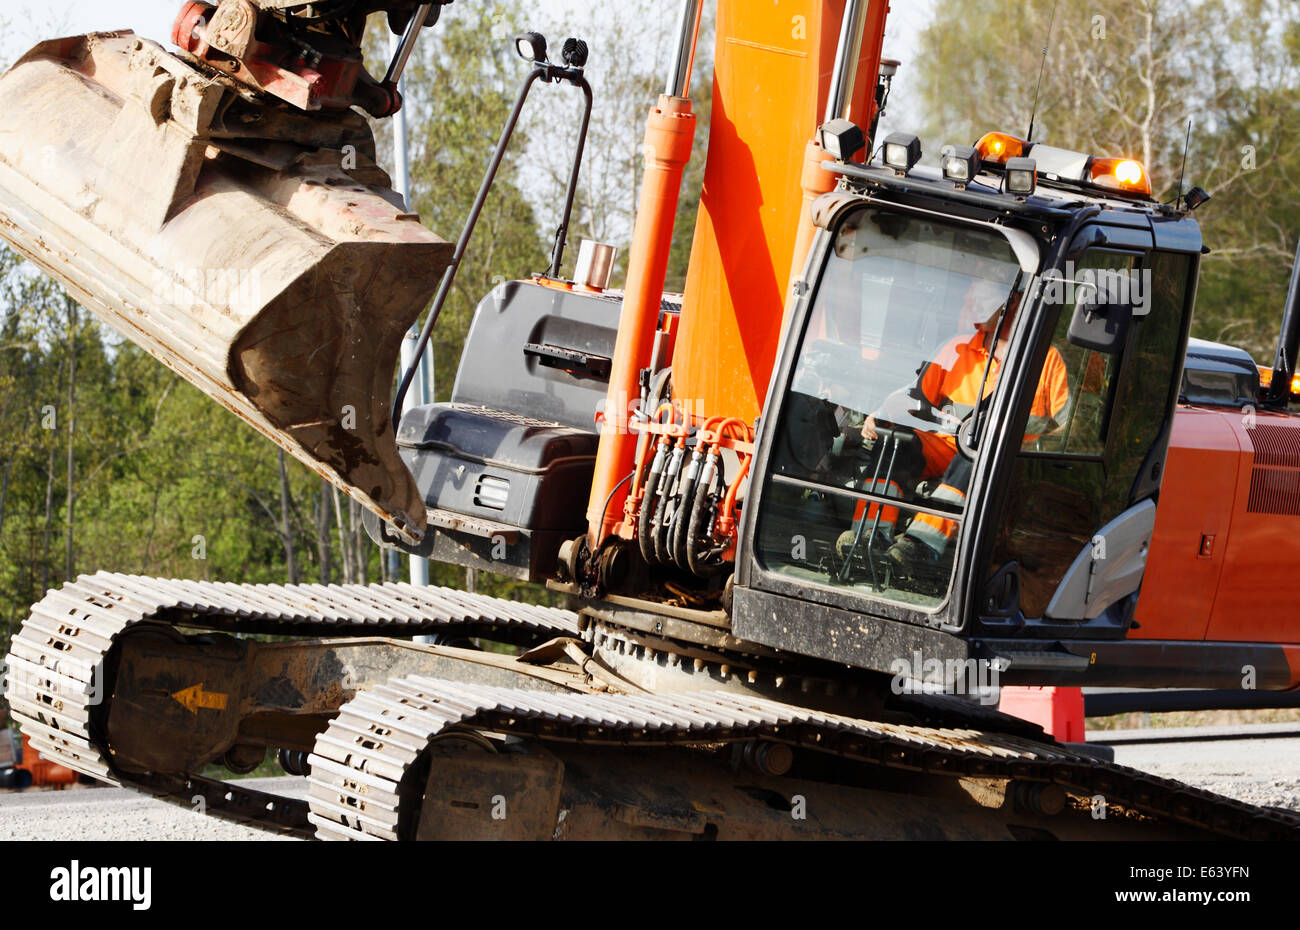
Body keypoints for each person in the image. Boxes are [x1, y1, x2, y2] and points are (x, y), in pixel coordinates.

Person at [860, 278, 1070, 583]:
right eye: (969, 298)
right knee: (896, 443)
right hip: (946, 449)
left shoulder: (1047, 361)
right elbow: (915, 401)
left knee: (982, 445)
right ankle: (868, 537)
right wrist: (881, 416)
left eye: (980, 299)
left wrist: (1029, 448)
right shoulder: (955, 348)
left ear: (1011, 302)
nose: (969, 306)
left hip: (1005, 465)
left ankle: (920, 545)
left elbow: (1069, 429)